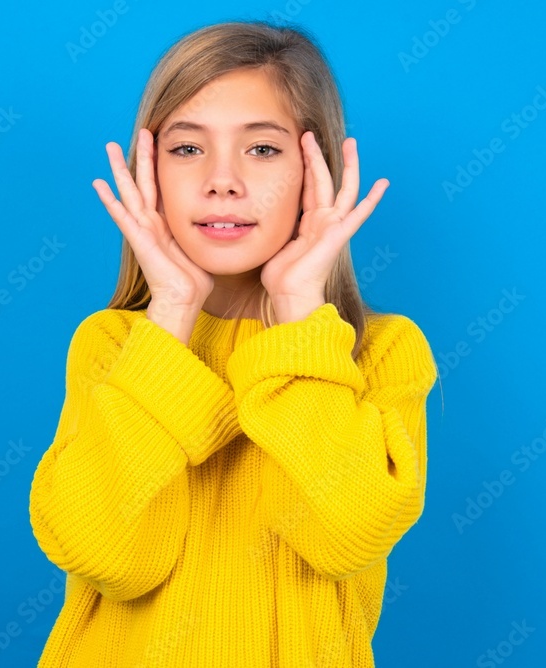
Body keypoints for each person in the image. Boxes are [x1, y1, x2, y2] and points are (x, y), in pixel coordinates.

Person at [28, 19, 439, 667]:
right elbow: (107, 555)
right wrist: (171, 312)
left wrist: (301, 314)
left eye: (263, 150)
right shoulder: (112, 345)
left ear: (316, 172)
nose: (223, 180)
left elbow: (346, 537)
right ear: (149, 172)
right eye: (187, 149)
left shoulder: (380, 351)